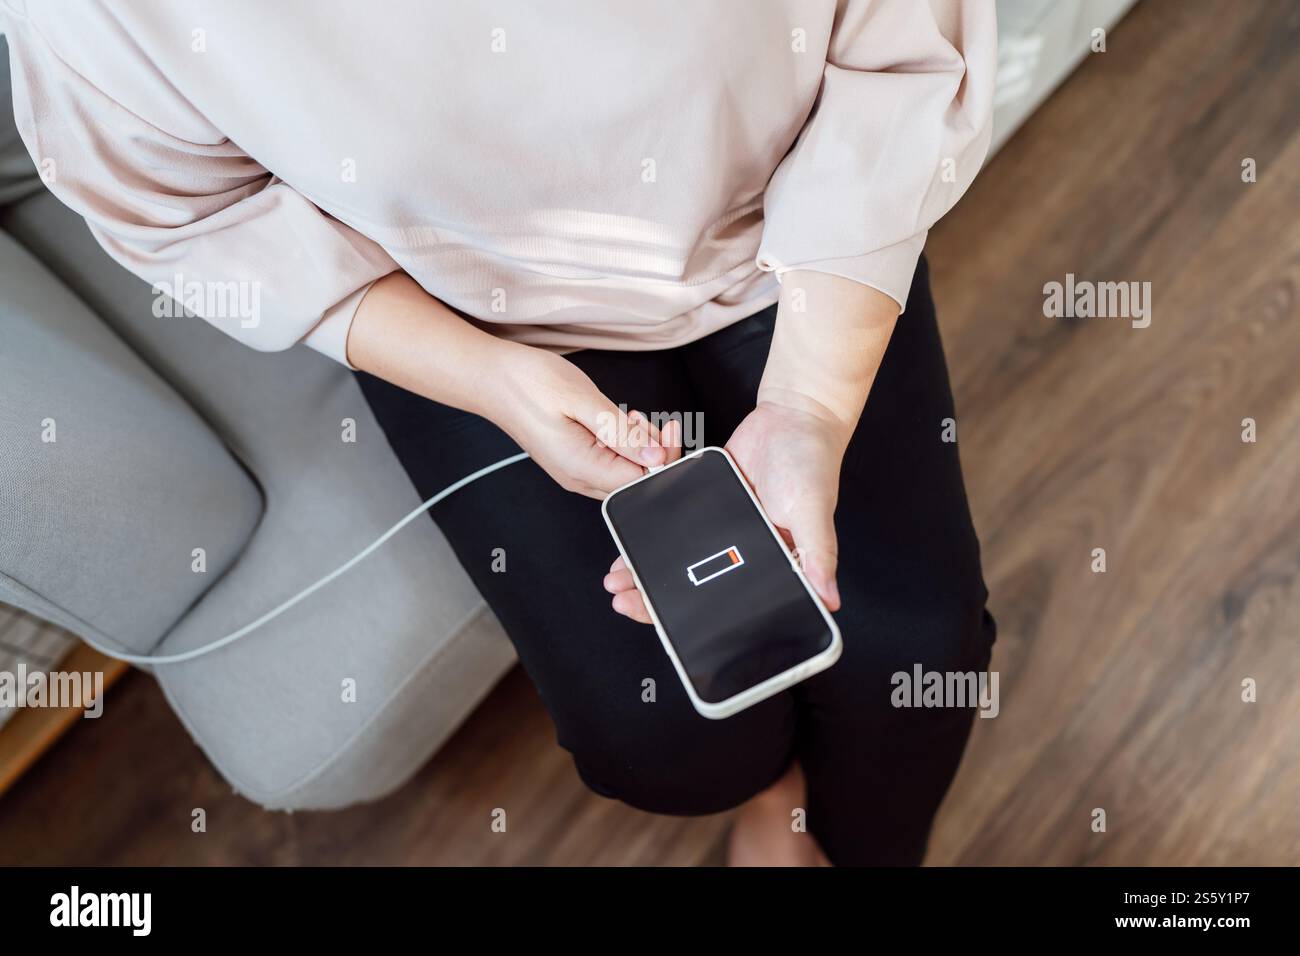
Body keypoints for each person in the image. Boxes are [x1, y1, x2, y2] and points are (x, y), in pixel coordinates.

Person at [2, 0, 998, 865]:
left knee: (917, 656)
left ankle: (821, 834)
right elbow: (185, 211)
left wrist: (810, 407)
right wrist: (489, 379)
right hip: (463, 312)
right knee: (661, 732)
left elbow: (897, 60)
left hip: (797, 230)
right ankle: (768, 783)